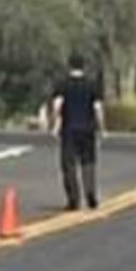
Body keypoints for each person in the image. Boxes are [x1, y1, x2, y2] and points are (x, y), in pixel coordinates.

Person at [52, 57, 105, 211]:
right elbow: (98, 108)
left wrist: (56, 124)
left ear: (69, 66)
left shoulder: (63, 85)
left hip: (69, 129)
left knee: (69, 164)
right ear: (84, 67)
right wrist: (102, 127)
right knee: (88, 162)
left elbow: (57, 106)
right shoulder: (91, 85)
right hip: (88, 129)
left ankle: (73, 199)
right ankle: (91, 194)